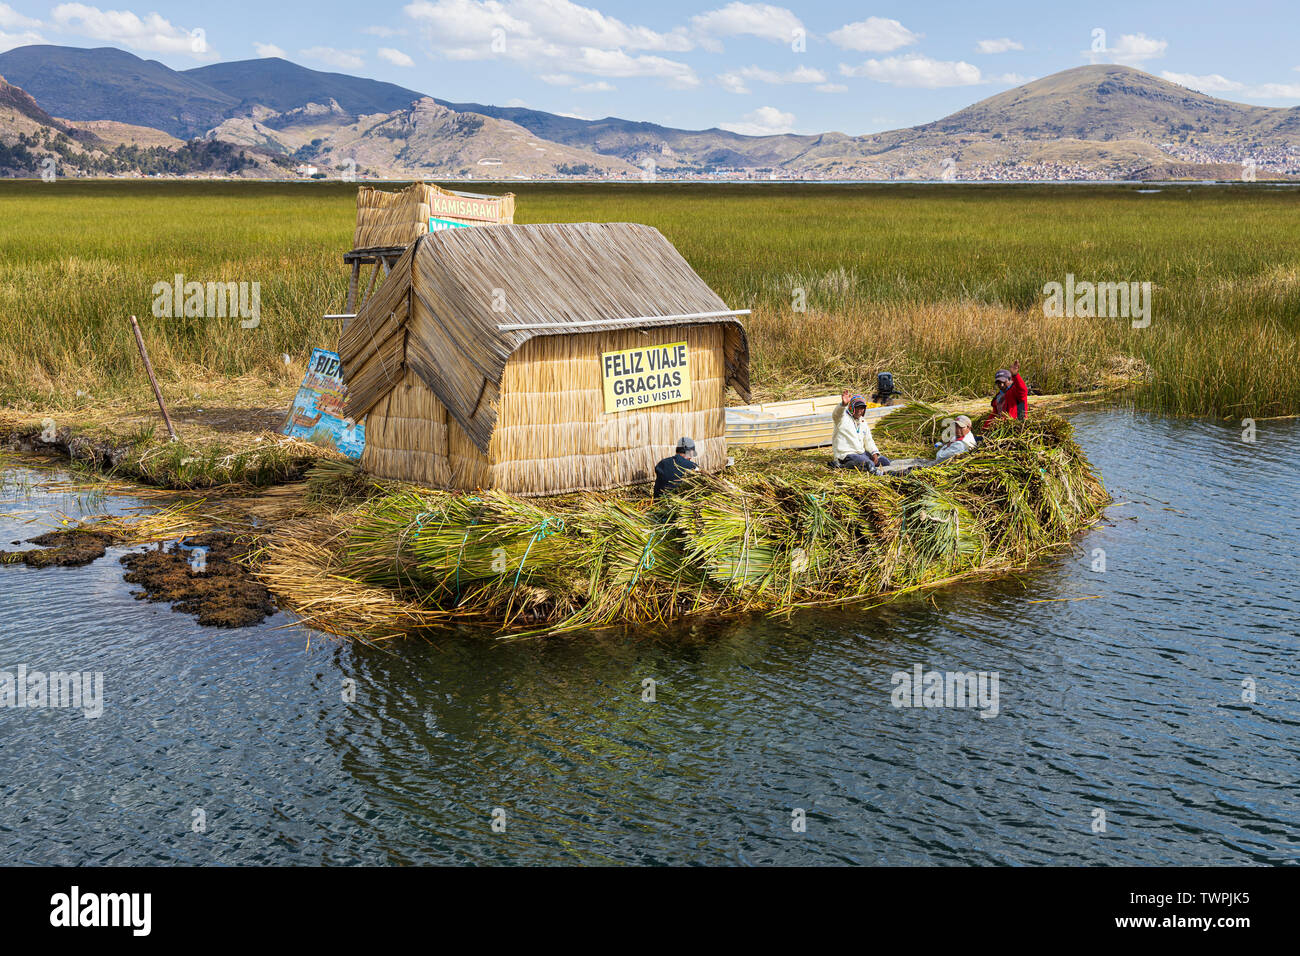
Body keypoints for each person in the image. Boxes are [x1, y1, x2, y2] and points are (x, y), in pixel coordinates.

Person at [832, 390, 891, 471]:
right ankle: (842, 464)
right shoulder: (842, 418)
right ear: (851, 407)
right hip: (846, 454)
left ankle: (864, 463)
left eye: (862, 408)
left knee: (885, 462)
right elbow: (836, 414)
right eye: (857, 408)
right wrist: (843, 404)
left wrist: (874, 453)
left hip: (861, 454)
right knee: (867, 464)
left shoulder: (862, 421)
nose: (860, 410)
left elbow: (868, 440)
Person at [982, 360, 1028, 430]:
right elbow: (994, 414)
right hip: (1002, 427)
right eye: (999, 383)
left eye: (1004, 382)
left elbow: (1023, 390)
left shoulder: (1015, 392)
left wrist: (1015, 375)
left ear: (1010, 380)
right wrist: (984, 429)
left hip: (1016, 427)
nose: (1001, 385)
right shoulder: (998, 397)